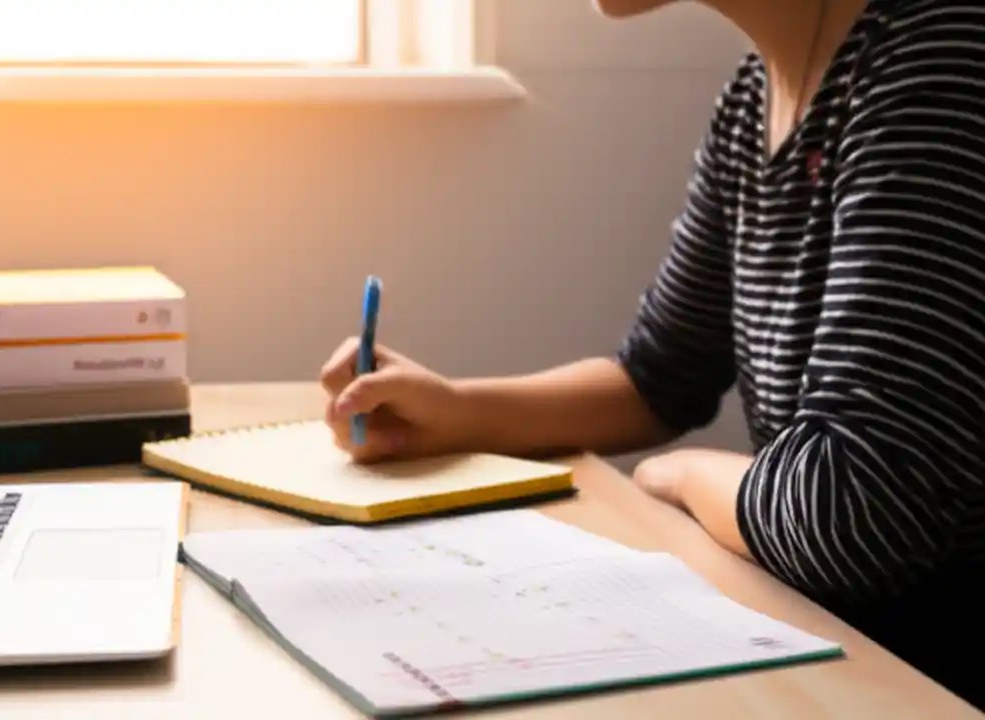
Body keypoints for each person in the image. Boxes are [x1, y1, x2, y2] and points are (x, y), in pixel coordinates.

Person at [319, 0, 985, 710]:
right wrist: (455, 412)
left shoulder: (942, 64)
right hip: (841, 651)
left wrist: (682, 475)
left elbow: (853, 512)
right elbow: (658, 378)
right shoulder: (755, 96)